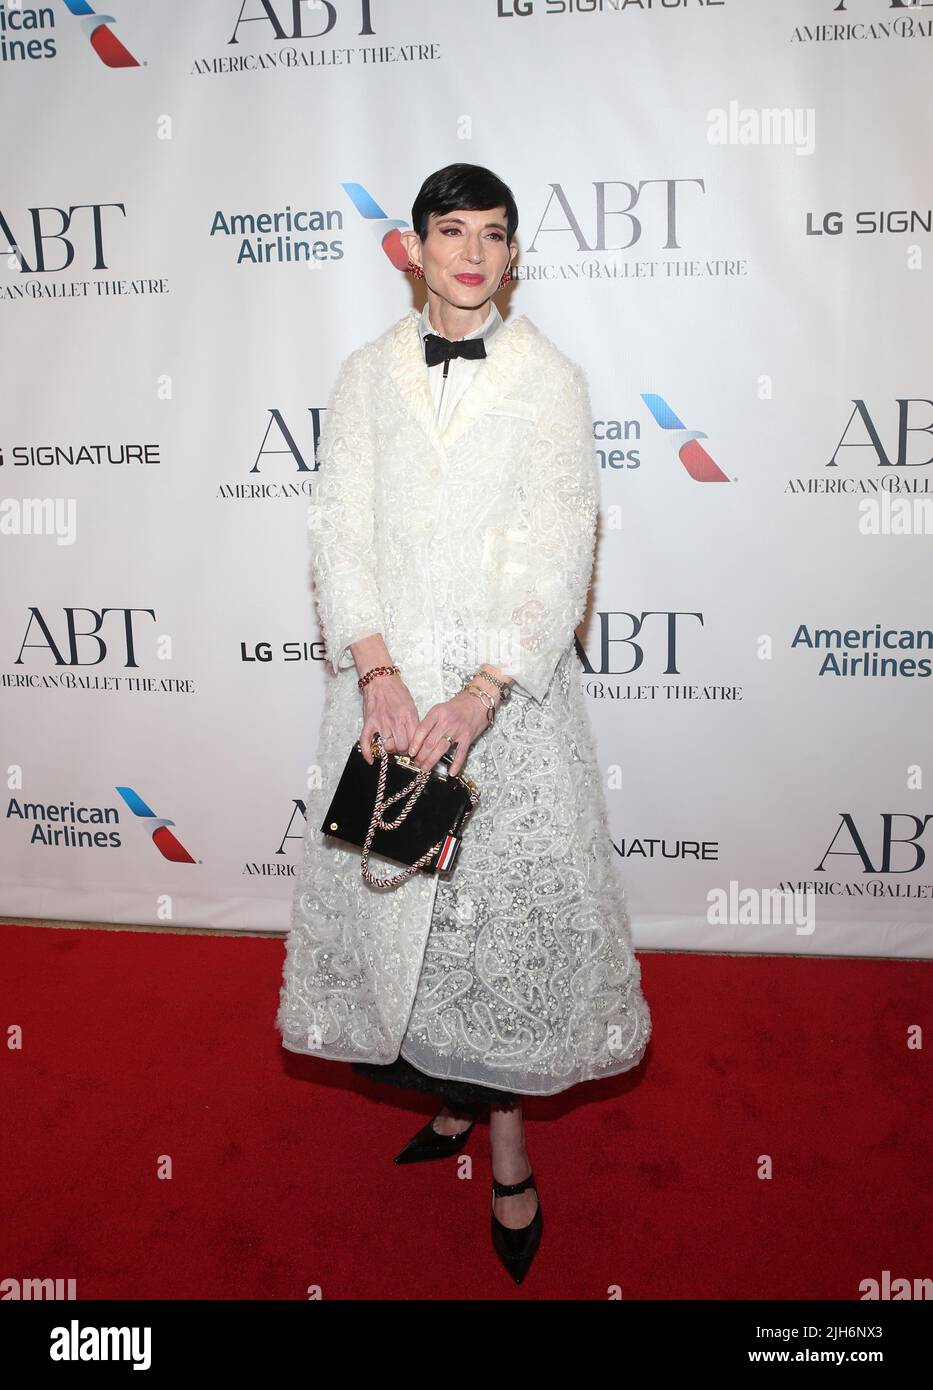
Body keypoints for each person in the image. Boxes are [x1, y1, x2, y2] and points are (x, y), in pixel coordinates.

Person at [276, 163, 652, 1286]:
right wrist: (380, 672)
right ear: (414, 247)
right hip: (387, 704)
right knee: (403, 917)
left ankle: (508, 1148)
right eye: (453, 232)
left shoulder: (548, 379)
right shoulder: (365, 376)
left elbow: (558, 546)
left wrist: (482, 692)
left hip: (508, 713)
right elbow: (339, 531)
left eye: (493, 233)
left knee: (496, 931)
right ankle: (444, 1092)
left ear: (513, 252)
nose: (473, 253)